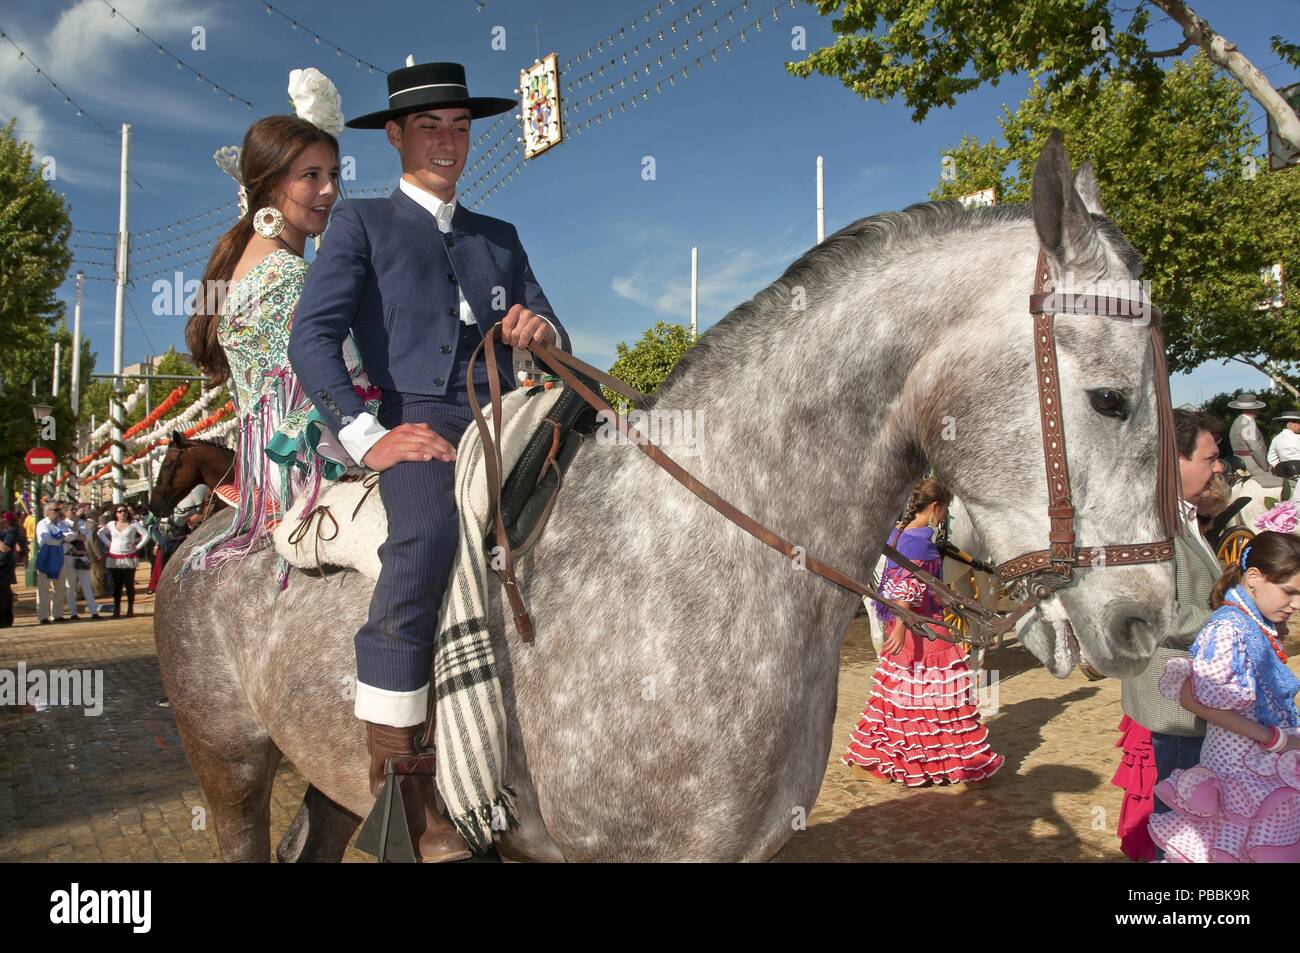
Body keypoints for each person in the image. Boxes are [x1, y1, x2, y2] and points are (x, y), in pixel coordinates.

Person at [288, 59, 571, 862]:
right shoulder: (361, 223)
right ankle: (403, 790)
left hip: (509, 411)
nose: (449, 142)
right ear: (396, 136)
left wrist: (539, 337)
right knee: (425, 541)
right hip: (416, 424)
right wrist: (369, 435)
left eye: (460, 127)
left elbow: (555, 331)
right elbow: (311, 338)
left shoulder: (500, 237)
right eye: (430, 128)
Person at [184, 101, 344, 581]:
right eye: (310, 176)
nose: (329, 189)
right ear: (272, 186)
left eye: (333, 174)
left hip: (262, 474)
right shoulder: (285, 274)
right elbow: (338, 380)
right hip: (308, 468)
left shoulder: (244, 262)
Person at [1147, 530, 1300, 862]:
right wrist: (1272, 738)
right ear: (1255, 578)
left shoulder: (1249, 623)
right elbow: (1197, 699)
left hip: (1255, 767)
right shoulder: (1230, 629)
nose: (1297, 604)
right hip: (1243, 775)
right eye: (1289, 592)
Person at [841, 477, 1004, 786]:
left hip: (902, 625)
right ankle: (959, 763)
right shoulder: (922, 541)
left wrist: (951, 601)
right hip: (922, 628)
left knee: (898, 698)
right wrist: (903, 625)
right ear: (934, 507)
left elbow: (911, 581)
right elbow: (909, 586)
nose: (944, 517)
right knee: (943, 694)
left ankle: (879, 763)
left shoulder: (897, 532)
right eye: (944, 511)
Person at [1114, 409, 1225, 861]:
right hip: (1175, 709)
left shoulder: (1182, 516)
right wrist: (1238, 620)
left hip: (1190, 698)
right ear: (1174, 461)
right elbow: (1160, 615)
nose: (1219, 467)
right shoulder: (1152, 524)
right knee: (1179, 833)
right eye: (1211, 457)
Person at [97, 506, 147, 617]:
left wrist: (137, 547)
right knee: (116, 585)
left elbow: (146, 535)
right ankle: (117, 609)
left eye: (124, 511)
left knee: (129, 584)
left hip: (129, 557)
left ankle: (130, 609)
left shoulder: (133, 523)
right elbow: (100, 533)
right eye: (120, 511)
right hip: (114, 558)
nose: (122, 513)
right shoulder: (111, 524)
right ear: (116, 513)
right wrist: (109, 543)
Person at [1227, 393, 1281, 487]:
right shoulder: (1248, 422)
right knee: (1288, 484)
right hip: (1252, 464)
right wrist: (1266, 466)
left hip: (1240, 460)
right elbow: (1255, 447)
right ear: (1254, 408)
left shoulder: (1238, 420)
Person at [62, 503, 105, 620]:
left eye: (76, 509)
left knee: (87, 585)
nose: (75, 512)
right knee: (70, 586)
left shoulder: (81, 523)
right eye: (72, 510)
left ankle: (93, 611)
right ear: (65, 512)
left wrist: (76, 533)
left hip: (83, 556)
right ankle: (73, 613)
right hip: (69, 557)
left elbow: (86, 537)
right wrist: (76, 534)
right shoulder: (63, 524)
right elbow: (67, 537)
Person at [34, 501, 70, 624]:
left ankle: (57, 614)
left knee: (59, 587)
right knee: (44, 588)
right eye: (55, 510)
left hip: (59, 558)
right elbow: (46, 540)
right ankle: (43, 616)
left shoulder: (61, 524)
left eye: (59, 510)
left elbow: (71, 535)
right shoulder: (42, 524)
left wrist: (62, 538)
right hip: (46, 559)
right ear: (47, 511)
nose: (58, 512)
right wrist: (61, 540)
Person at [1267, 410, 1300, 479]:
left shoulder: (1275, 439)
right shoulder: (1298, 438)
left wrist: (1283, 468)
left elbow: (1271, 460)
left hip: (1285, 474)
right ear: (1290, 424)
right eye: (1299, 423)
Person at [0, 512, 18, 628]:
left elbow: (5, 548)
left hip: (4, 567)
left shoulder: (11, 531)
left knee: (3, 594)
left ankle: (5, 621)